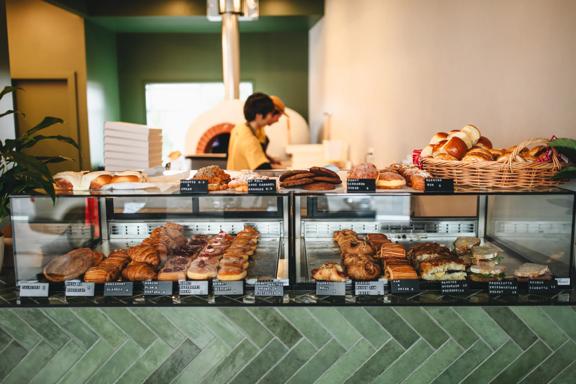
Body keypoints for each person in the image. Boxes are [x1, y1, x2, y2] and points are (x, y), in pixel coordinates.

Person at [227, 92, 283, 170]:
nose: (271, 118)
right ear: (259, 116)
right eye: (270, 114)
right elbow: (262, 167)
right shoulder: (248, 139)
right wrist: (283, 169)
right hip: (243, 180)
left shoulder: (239, 127)